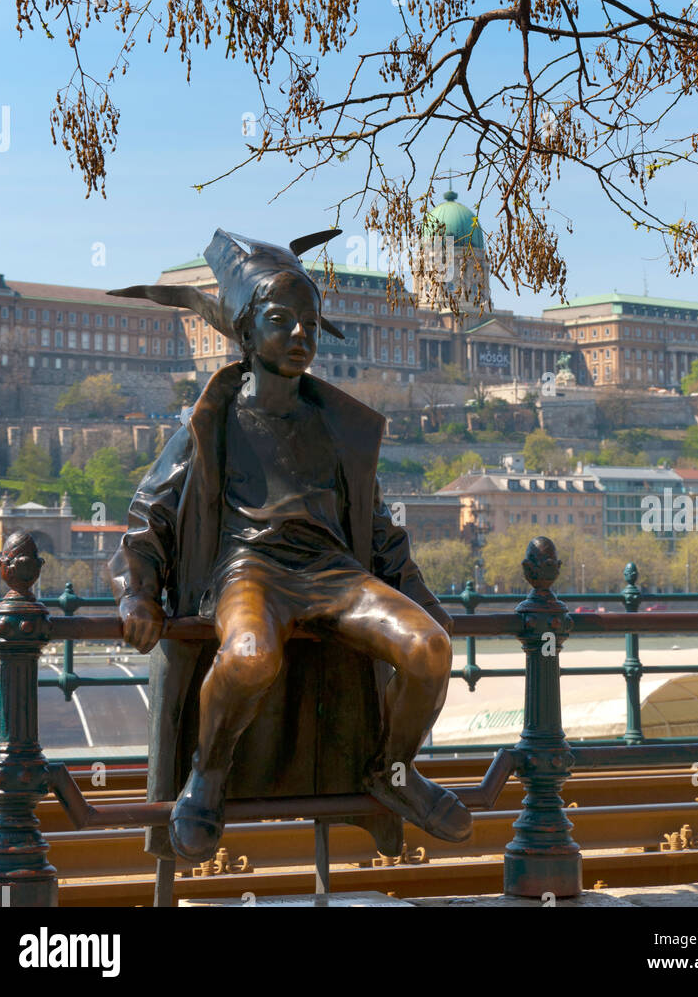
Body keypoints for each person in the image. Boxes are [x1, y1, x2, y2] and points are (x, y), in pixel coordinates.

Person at [107, 227, 471, 863]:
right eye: (283, 322)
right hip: (248, 571)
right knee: (247, 656)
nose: (301, 335)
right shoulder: (211, 421)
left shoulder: (335, 426)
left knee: (429, 648)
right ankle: (209, 773)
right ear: (247, 333)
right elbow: (149, 515)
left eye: (310, 323)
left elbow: (379, 530)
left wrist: (417, 595)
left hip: (333, 574)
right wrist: (138, 593)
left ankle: (390, 770)